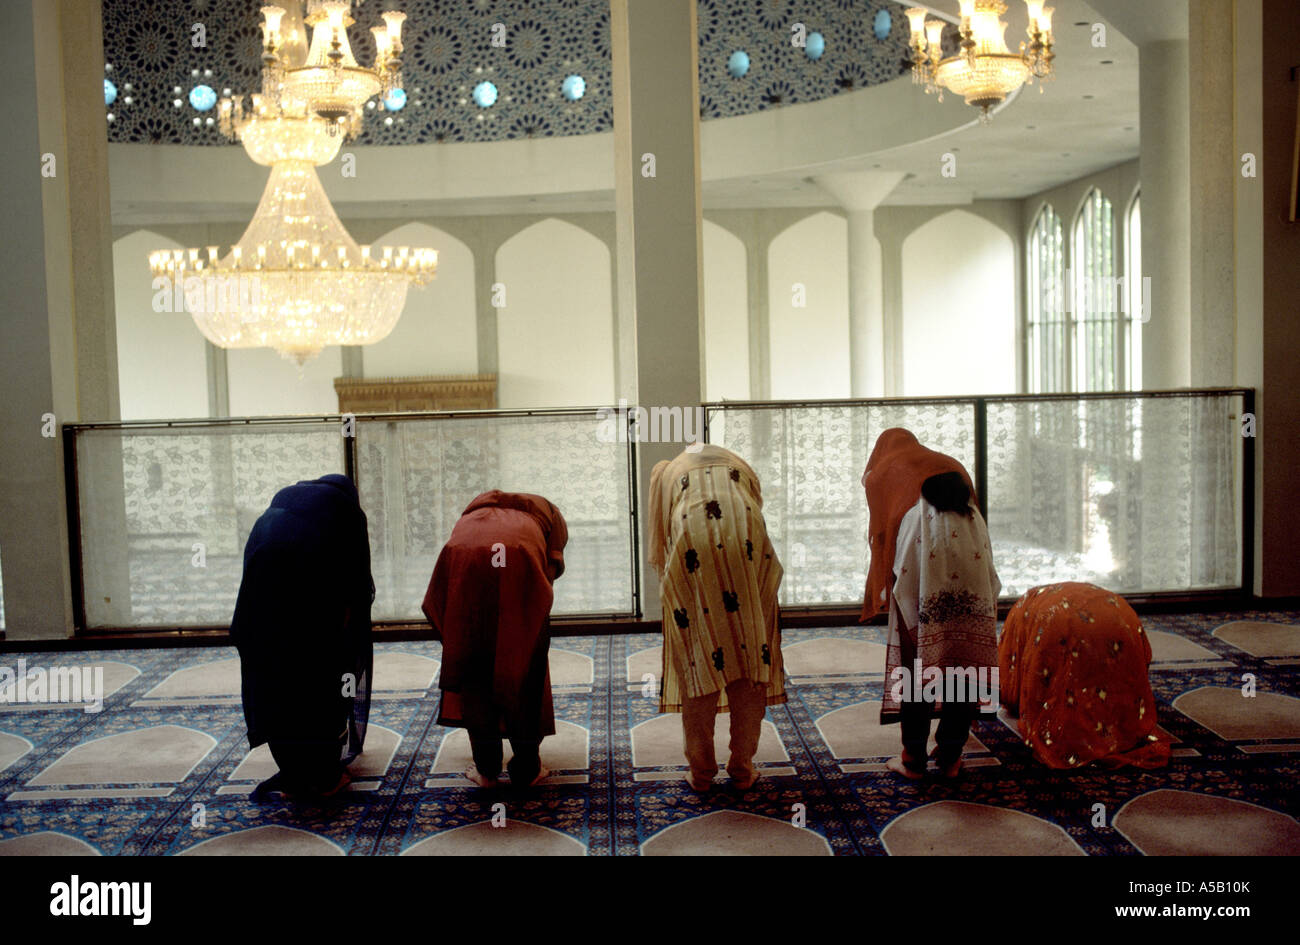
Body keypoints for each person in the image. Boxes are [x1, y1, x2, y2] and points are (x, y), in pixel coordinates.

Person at [861, 429, 1000, 780]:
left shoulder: (915, 518)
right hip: (972, 613)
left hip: (922, 611)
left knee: (917, 675)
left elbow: (900, 570)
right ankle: (951, 755)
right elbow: (991, 576)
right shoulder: (973, 518)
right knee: (961, 672)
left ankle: (913, 759)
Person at [648, 444, 784, 791]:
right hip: (746, 540)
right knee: (750, 657)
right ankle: (742, 768)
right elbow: (757, 503)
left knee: (699, 661)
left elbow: (660, 541)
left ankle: (701, 773)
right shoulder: (738, 465)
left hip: (692, 548)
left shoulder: (668, 474)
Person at [231, 473, 374, 799]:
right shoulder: (346, 511)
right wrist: (347, 636)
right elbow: (357, 584)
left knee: (273, 678)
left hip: (260, 607)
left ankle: (295, 773)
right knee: (321, 678)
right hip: (310, 601)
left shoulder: (282, 506)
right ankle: (324, 777)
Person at [422, 491, 568, 789]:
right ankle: (527, 769)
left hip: (465, 561)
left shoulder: (471, 517)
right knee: (524, 668)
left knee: (473, 667)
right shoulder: (546, 518)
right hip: (519, 559)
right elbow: (551, 570)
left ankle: (486, 769)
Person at [999, 582, 1171, 769]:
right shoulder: (1032, 606)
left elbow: (1013, 674)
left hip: (1060, 624)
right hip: (1120, 616)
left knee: (1058, 663)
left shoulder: (1023, 613)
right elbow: (1141, 660)